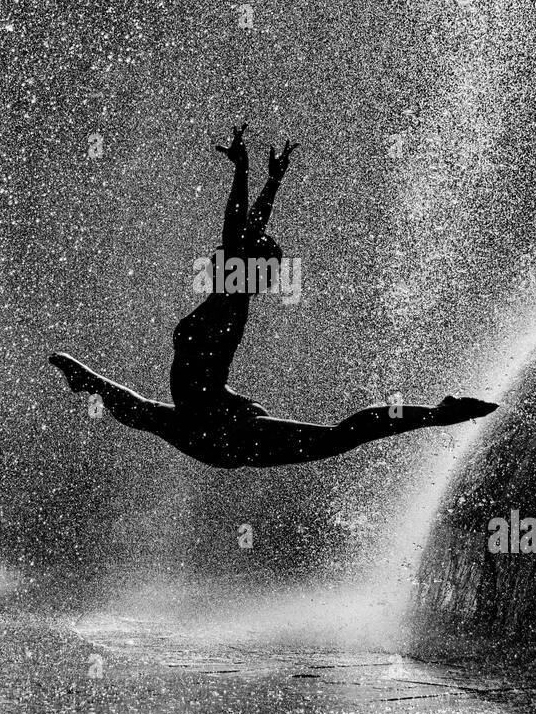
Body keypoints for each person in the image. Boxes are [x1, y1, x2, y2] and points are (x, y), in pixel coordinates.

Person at [50, 124, 497, 469]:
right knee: (143, 412)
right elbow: (243, 232)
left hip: (222, 433)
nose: (227, 254)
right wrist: (265, 178)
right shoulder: (226, 294)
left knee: (334, 437)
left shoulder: (231, 297)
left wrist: (246, 173)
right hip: (204, 419)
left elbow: (238, 233)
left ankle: (437, 414)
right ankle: (86, 379)